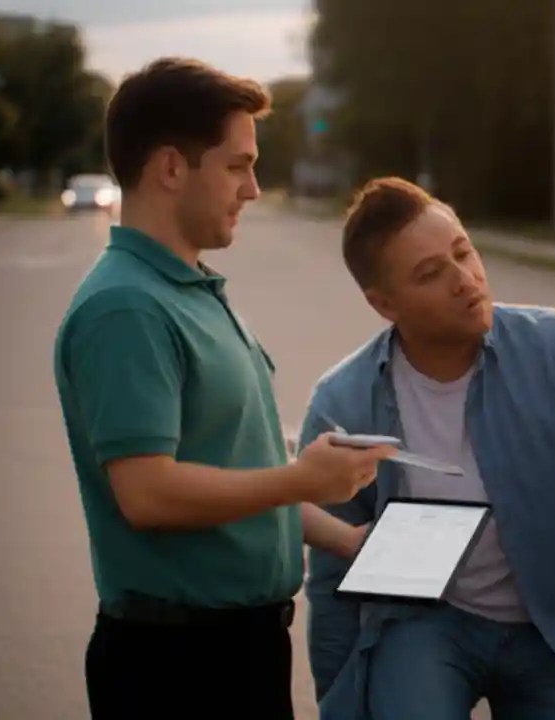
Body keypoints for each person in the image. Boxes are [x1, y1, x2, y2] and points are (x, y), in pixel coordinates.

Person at [51, 57, 392, 720]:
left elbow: (233, 480)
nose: (255, 189)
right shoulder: (127, 307)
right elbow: (148, 494)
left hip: (237, 653)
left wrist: (351, 540)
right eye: (238, 165)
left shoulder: (192, 290)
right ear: (172, 168)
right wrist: (302, 479)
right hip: (176, 669)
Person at [299, 177, 555, 720]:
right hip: (425, 623)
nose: (465, 281)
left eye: (463, 252)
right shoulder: (342, 401)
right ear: (384, 303)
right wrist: (336, 697)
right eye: (431, 274)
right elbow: (330, 573)